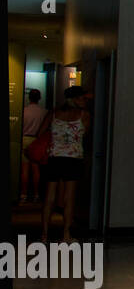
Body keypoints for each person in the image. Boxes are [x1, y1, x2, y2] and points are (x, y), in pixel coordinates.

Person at [40, 86, 91, 243]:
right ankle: (66, 235)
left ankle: (44, 235)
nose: (85, 101)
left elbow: (40, 132)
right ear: (75, 99)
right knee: (70, 197)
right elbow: (84, 134)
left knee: (50, 197)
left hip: (54, 157)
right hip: (73, 158)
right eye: (82, 98)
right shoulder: (84, 115)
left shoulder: (53, 113)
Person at [21, 89, 47, 204]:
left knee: (24, 169)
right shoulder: (44, 112)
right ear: (39, 98)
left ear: (29, 97)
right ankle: (36, 194)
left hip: (24, 138)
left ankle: (23, 194)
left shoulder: (24, 111)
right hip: (37, 140)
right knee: (36, 170)